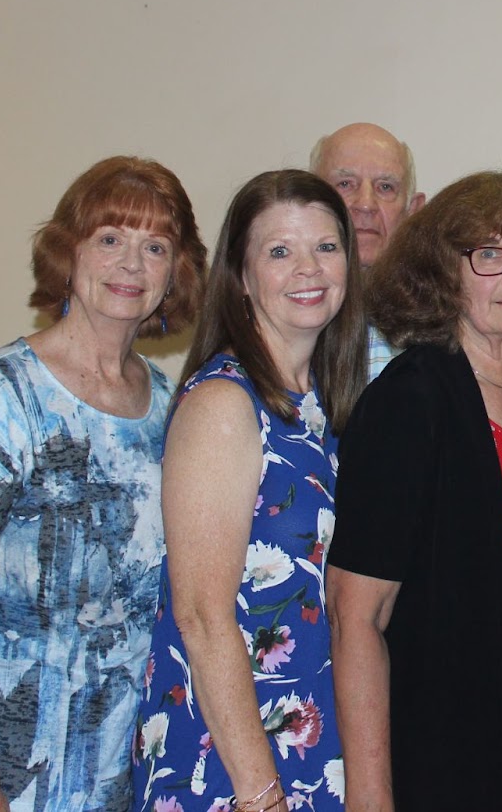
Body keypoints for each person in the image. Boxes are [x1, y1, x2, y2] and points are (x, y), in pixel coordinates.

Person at [0, 156, 207, 812]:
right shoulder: (2, 397)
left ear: (176, 273)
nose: (131, 265)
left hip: (110, 777)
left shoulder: (168, 406)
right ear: (70, 253)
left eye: (155, 247)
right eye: (110, 239)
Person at [327, 168, 502, 811]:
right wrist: (371, 798)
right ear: (441, 274)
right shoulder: (409, 398)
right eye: (488, 254)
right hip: (461, 745)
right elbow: (354, 616)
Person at [130, 170, 366, 812]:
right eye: (280, 251)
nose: (308, 269)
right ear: (241, 275)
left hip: (310, 740)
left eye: (326, 246)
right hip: (227, 760)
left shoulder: (325, 409)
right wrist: (261, 793)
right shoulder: (225, 404)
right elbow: (201, 617)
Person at [310, 121, 426, 378]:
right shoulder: (278, 313)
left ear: (413, 211)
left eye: (385, 187)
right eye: (345, 184)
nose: (365, 204)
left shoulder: (442, 315)